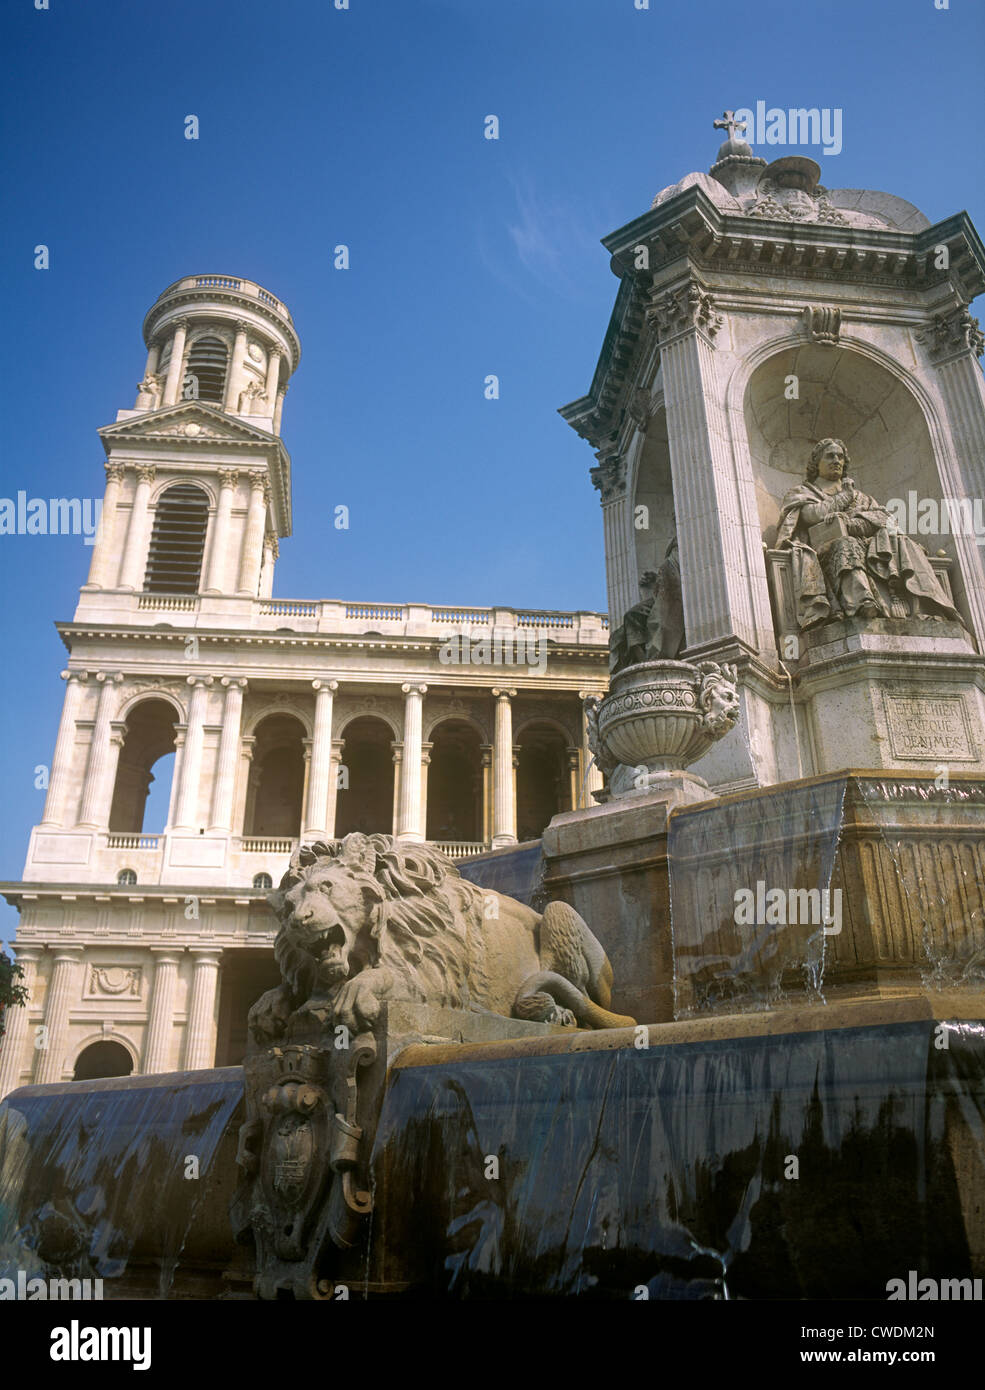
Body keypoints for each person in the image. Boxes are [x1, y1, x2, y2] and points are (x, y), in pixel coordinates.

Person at [775, 438, 961, 628]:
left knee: (902, 543)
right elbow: (811, 515)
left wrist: (855, 520)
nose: (836, 460)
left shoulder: (861, 496)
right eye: (830, 456)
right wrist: (843, 497)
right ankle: (861, 602)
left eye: (840, 457)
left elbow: (886, 519)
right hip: (825, 548)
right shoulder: (803, 491)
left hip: (869, 543)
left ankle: (923, 605)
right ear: (816, 463)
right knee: (845, 544)